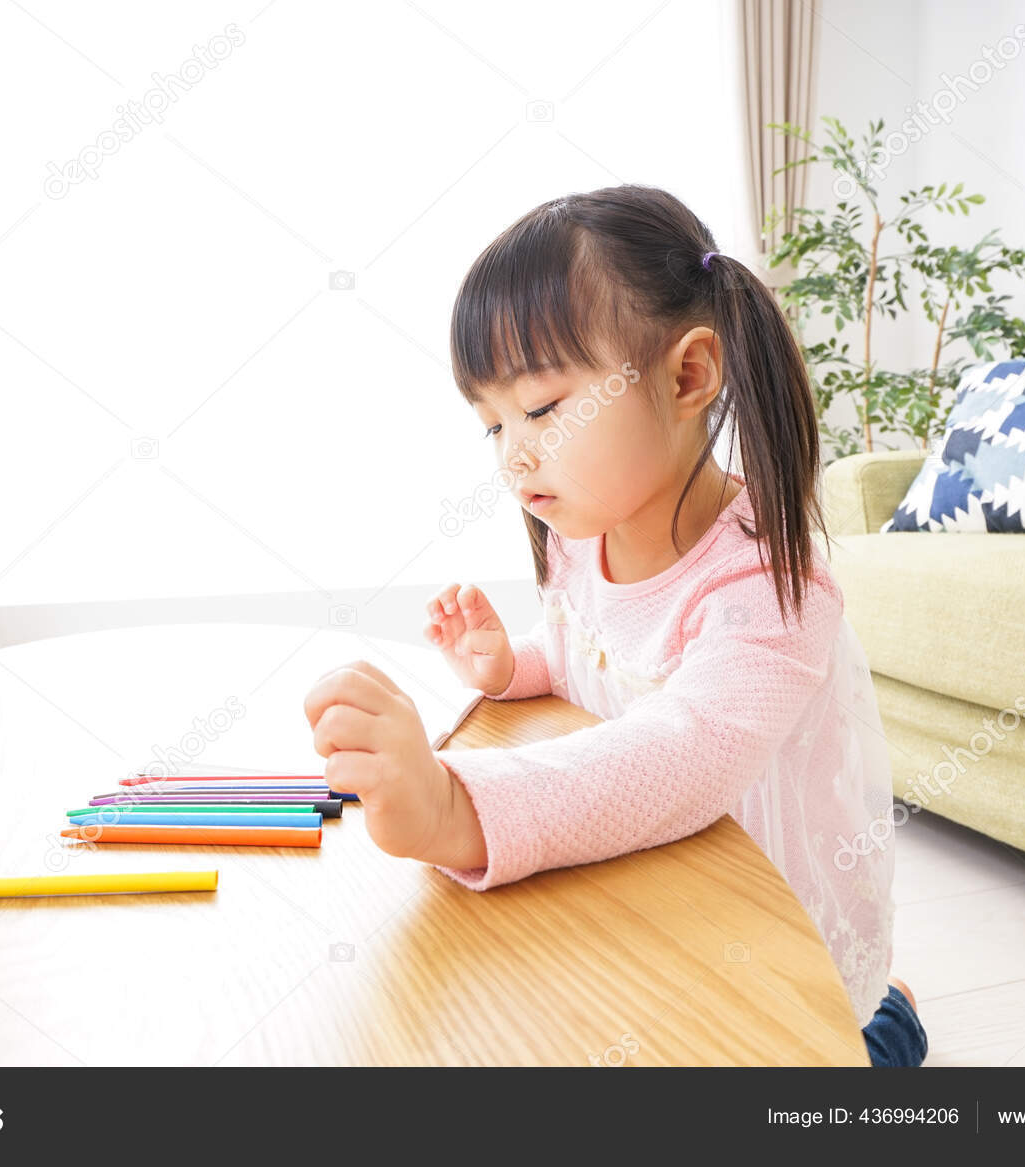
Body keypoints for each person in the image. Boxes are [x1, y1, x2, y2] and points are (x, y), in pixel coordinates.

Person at [302, 185, 926, 1066]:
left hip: (772, 938)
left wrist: (456, 807)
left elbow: (683, 752)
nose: (514, 453)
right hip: (663, 886)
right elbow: (586, 656)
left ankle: (892, 1016)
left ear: (687, 376)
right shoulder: (581, 538)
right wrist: (510, 667)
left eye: (542, 409)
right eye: (491, 425)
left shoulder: (769, 587)